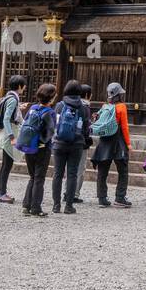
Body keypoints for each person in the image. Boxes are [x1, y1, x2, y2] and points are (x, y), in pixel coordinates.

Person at [90, 82, 132, 208]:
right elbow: (124, 127)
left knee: (102, 171)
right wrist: (128, 144)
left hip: (105, 141)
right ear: (119, 95)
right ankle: (120, 197)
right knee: (123, 171)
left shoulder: (104, 107)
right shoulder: (121, 107)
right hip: (118, 141)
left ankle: (102, 198)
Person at [51, 80, 90, 214]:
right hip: (76, 144)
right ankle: (69, 206)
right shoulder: (83, 107)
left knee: (57, 173)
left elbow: (54, 124)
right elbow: (86, 128)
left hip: (59, 143)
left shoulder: (59, 106)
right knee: (72, 174)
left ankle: (56, 205)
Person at [17, 84, 56, 218]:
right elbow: (50, 131)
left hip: (28, 145)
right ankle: (36, 207)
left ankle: (26, 205)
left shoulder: (32, 108)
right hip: (42, 148)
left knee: (32, 177)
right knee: (39, 178)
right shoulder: (50, 112)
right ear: (51, 98)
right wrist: (43, 142)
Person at [0, 75, 27, 203]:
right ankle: (2, 193)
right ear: (19, 86)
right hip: (9, 135)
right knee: (7, 166)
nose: (24, 88)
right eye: (23, 85)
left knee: (5, 166)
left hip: (6, 133)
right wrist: (12, 137)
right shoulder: (13, 99)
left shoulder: (9, 97)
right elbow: (6, 119)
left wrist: (19, 108)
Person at [69, 83, 94, 204]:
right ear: (88, 95)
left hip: (68, 139)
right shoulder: (85, 107)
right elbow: (86, 127)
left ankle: (66, 191)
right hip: (81, 142)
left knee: (69, 168)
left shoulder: (70, 104)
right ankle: (74, 193)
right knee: (80, 169)